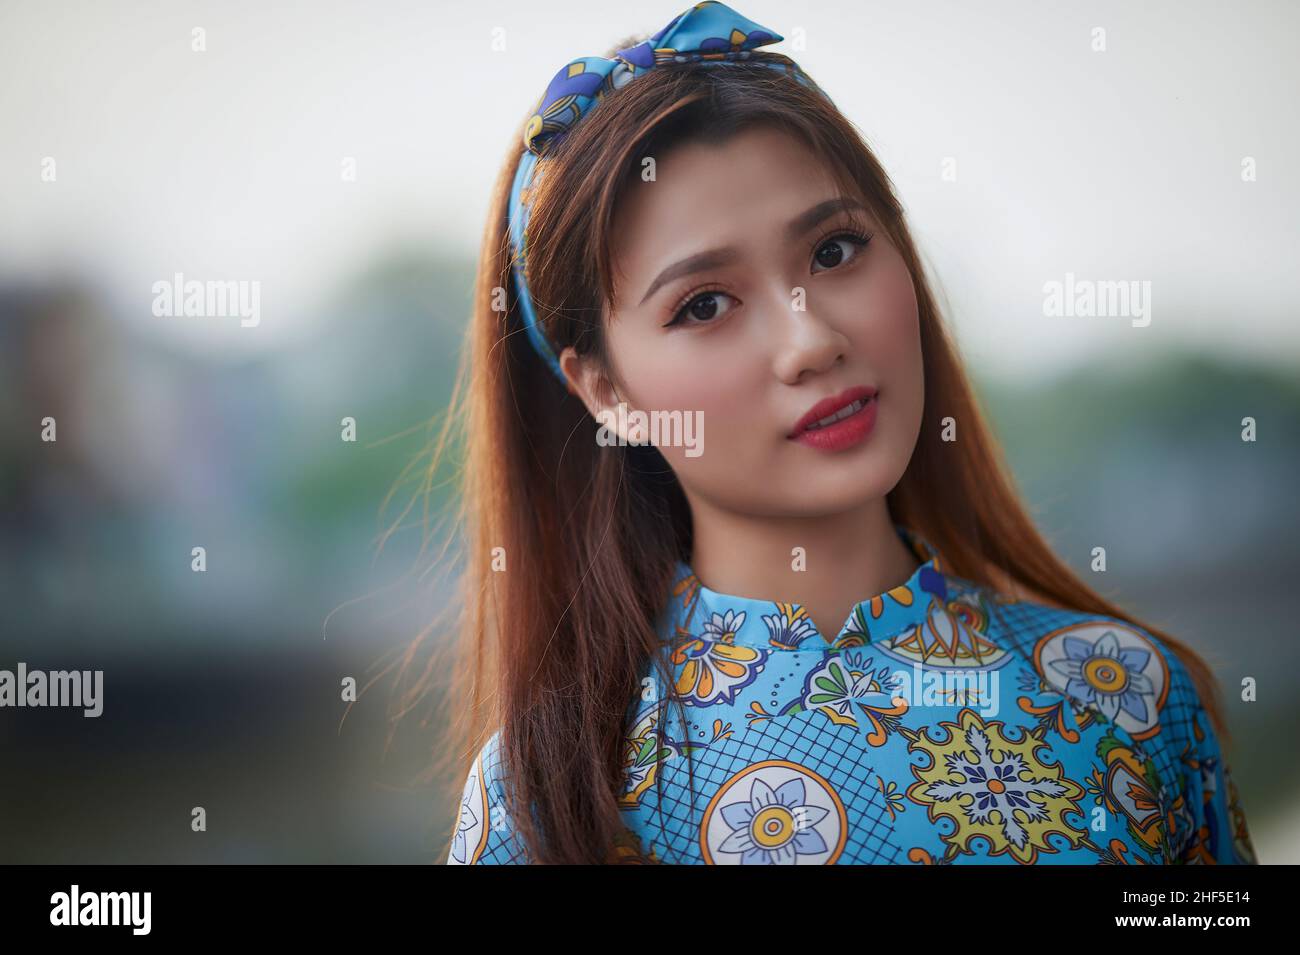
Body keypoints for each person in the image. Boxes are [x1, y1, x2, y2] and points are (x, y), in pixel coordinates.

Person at [440, 1, 1256, 865]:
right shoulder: (551, 795)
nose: (810, 340)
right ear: (604, 390)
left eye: (833, 251)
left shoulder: (1127, 698)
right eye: (704, 304)